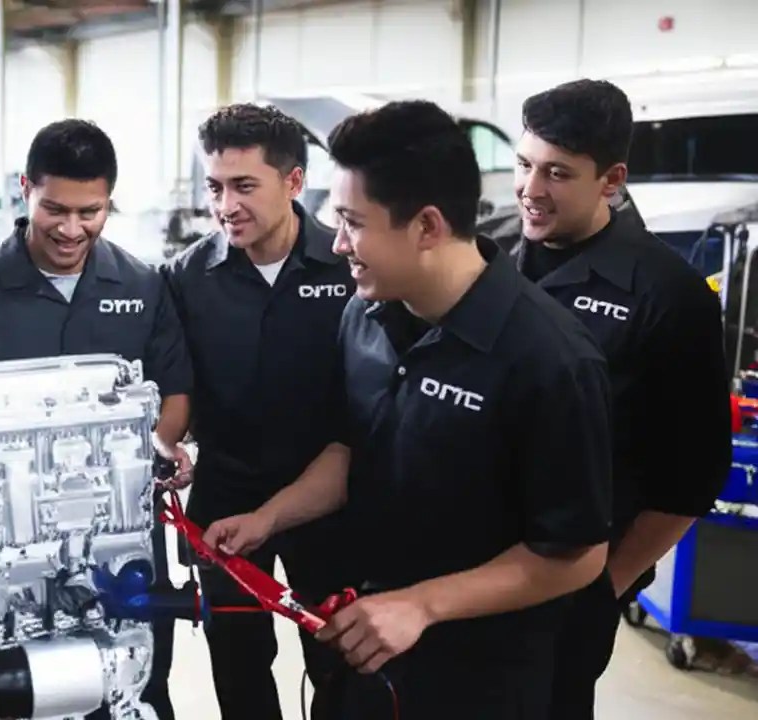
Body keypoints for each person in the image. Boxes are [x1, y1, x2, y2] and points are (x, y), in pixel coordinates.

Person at [201, 100, 614, 719]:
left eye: (352, 222)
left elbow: (576, 554)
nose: (338, 244)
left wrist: (422, 604)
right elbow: (351, 448)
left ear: (426, 226)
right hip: (364, 653)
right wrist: (269, 517)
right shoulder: (362, 316)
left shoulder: (550, 360)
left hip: (478, 681)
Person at [0, 118, 192, 720]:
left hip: (121, 535)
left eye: (90, 211)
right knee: (22, 691)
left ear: (110, 202)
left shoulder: (143, 285)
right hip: (7, 548)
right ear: (25, 190)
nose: (71, 229)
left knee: (138, 682)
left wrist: (157, 448)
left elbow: (174, 392)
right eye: (55, 209)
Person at [497, 79, 732, 720]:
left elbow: (691, 476)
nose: (530, 189)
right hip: (472, 575)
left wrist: (606, 584)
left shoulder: (669, 295)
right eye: (523, 165)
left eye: (557, 174)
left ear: (611, 179)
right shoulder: (489, 263)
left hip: (572, 591)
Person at [161, 103, 355, 720]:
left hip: (332, 498)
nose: (226, 205)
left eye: (245, 186)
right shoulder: (185, 279)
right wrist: (168, 443)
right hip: (225, 496)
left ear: (294, 182)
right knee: (238, 660)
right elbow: (176, 394)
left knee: (338, 659)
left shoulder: (350, 268)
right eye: (215, 187)